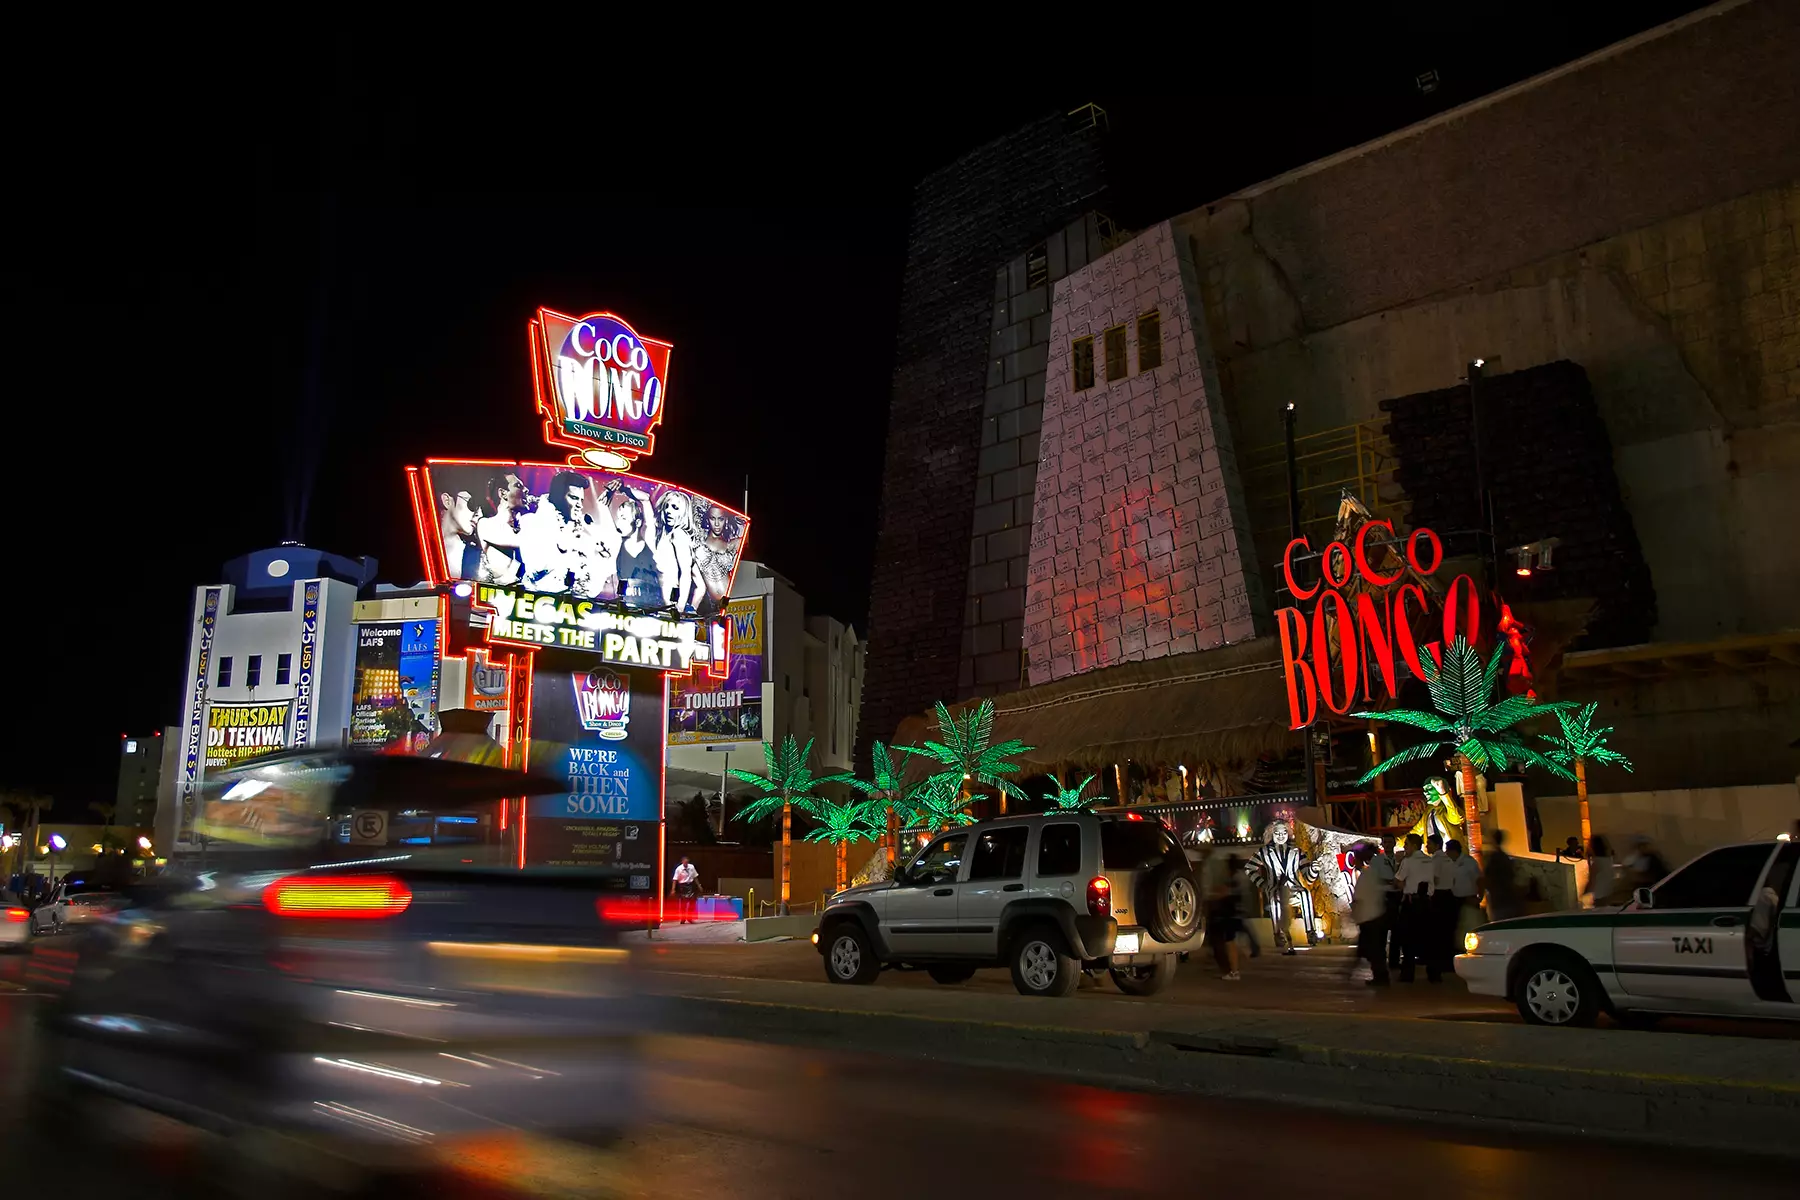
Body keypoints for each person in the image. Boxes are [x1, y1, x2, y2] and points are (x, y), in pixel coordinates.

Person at [1245, 821, 1322, 955]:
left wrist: (1314, 870)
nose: (1281, 836)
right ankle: (1278, 934)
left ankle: (1310, 932)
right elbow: (1249, 868)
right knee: (1274, 898)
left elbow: (1308, 878)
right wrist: (1263, 885)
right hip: (1275, 887)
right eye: (1277, 833)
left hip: (1294, 887)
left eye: (1284, 833)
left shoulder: (1297, 852)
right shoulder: (1263, 852)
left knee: (1305, 893)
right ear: (1271, 834)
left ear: (1288, 834)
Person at [1393, 833, 1439, 982]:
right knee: (1430, 939)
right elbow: (1436, 879)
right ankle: (1434, 974)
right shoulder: (1430, 861)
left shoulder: (1408, 861)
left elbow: (1398, 882)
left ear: (1413, 845)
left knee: (1408, 940)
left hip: (1411, 903)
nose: (1404, 847)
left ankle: (1408, 974)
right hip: (1428, 902)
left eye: (1406, 844)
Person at [475, 471, 528, 585]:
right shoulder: (486, 524)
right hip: (499, 595)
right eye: (518, 486)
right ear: (503, 493)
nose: (526, 490)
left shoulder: (523, 526)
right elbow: (520, 541)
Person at [1351, 844, 1394, 986]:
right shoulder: (1372, 873)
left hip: (1371, 917)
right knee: (1376, 949)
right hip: (1376, 915)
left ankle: (1381, 976)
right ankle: (1381, 975)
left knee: (1373, 949)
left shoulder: (1368, 875)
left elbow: (1360, 897)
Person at [1206, 858, 1244, 980]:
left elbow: (1224, 892)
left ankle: (1234, 971)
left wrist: (1212, 895)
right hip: (1233, 914)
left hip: (1230, 915)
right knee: (1230, 943)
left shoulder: (1233, 879)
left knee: (1230, 943)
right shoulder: (1237, 878)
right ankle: (1234, 969)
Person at [1444, 839, 1482, 960]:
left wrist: (1479, 897)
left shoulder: (1469, 862)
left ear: (1454, 851)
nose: (1446, 853)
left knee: (1470, 927)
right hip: (1454, 899)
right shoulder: (1450, 863)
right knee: (1456, 928)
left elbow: (1479, 880)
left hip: (1468, 898)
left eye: (1448, 851)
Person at [1429, 833, 1461, 974]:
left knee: (1438, 932)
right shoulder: (1449, 860)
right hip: (1450, 895)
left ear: (1436, 846)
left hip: (1439, 896)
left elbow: (1434, 879)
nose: (1426, 846)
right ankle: (1449, 962)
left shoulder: (1436, 860)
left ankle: (1440, 964)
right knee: (1448, 931)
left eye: (1429, 844)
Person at [440, 486, 481, 580]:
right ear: (447, 501)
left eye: (481, 506)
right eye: (472, 503)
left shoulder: (476, 554)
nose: (479, 513)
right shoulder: (418, 546)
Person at [1483, 829, 1522, 923]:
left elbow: (1488, 877)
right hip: (1508, 896)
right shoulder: (1505, 857)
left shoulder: (1494, 858)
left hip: (1499, 898)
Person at [1583, 833, 1619, 907]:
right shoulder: (1609, 860)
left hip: (1600, 894)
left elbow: (1592, 879)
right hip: (1609, 892)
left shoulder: (1597, 862)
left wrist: (1584, 892)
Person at [671, 855, 700, 924]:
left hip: (691, 885)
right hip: (683, 886)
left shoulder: (691, 867)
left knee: (692, 902)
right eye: (685, 862)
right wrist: (673, 889)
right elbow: (675, 879)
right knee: (683, 903)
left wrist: (699, 885)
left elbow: (695, 877)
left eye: (687, 862)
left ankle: (689, 918)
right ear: (682, 862)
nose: (686, 864)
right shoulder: (679, 869)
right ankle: (683, 918)